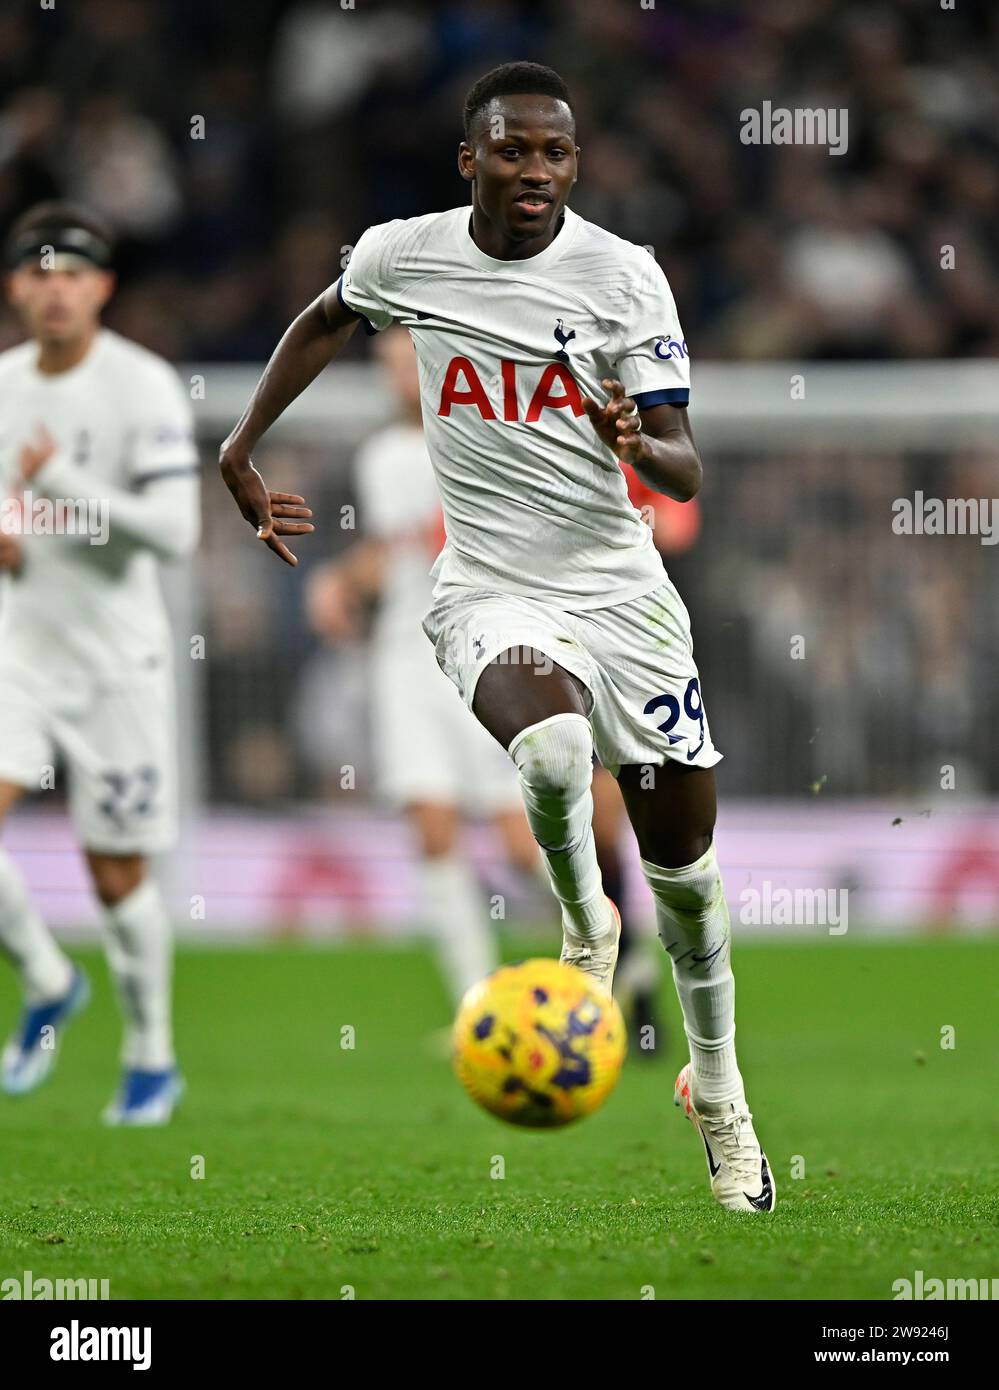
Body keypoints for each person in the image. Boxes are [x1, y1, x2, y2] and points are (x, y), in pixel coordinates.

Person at [220, 63, 774, 1211]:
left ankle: (718, 1093)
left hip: (624, 596)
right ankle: (583, 925)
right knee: (555, 753)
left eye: (556, 155)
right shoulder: (403, 255)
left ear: (576, 164)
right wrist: (240, 445)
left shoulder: (625, 278)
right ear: (469, 159)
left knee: (690, 881)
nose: (536, 172)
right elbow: (323, 322)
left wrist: (637, 440)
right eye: (513, 151)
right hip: (487, 586)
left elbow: (683, 462)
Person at [0, 201, 200, 1124]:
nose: (55, 289)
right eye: (38, 272)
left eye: (72, 273)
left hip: (117, 662)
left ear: (103, 288)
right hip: (19, 651)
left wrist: (62, 487)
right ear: (15, 287)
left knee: (114, 872)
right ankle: (46, 975)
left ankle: (151, 1054)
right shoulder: (3, 387)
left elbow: (176, 530)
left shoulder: (143, 386)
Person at [305, 325, 538, 1005]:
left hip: (483, 651)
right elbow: (396, 549)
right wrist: (341, 582)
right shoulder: (380, 456)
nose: (399, 376)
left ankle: (606, 953)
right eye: (388, 364)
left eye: (409, 361)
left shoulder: (488, 441)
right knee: (430, 826)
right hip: (405, 658)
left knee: (520, 842)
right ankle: (476, 1004)